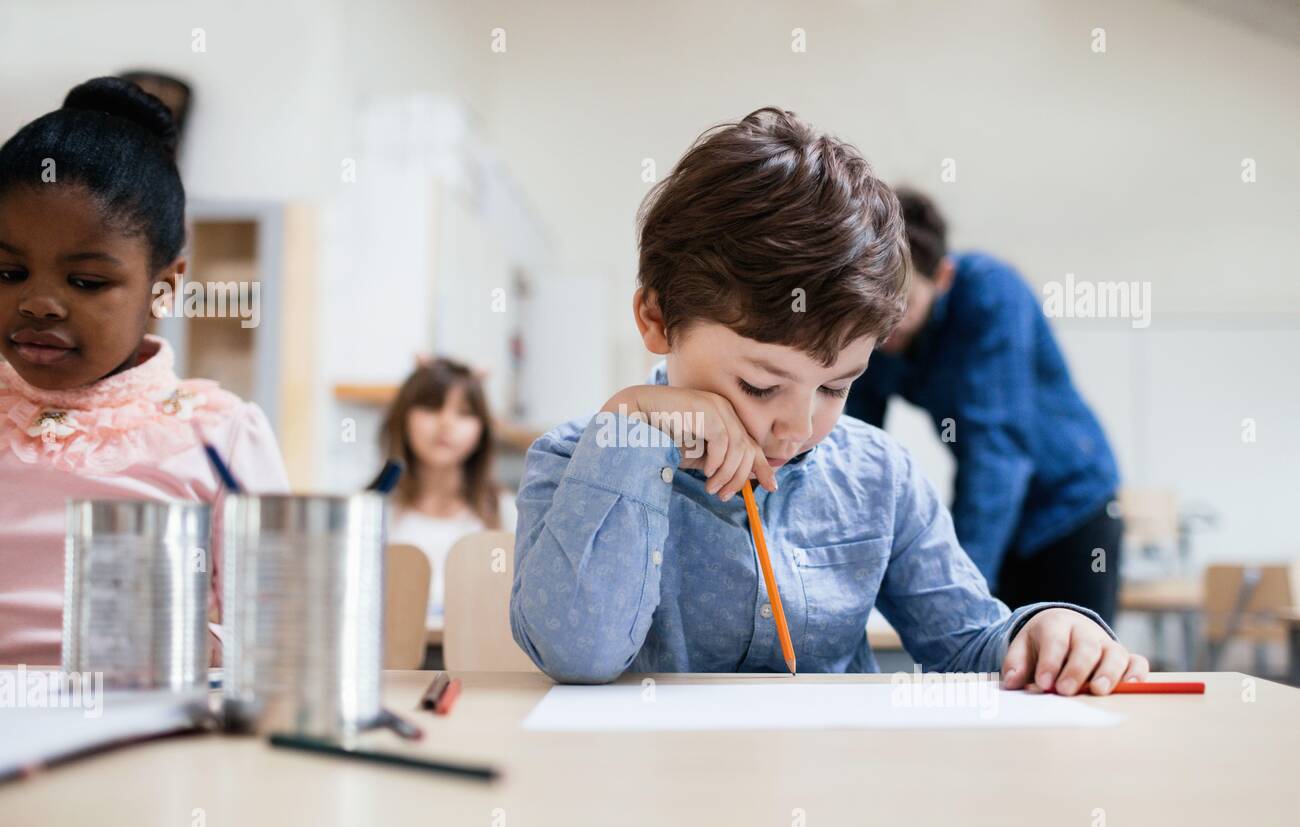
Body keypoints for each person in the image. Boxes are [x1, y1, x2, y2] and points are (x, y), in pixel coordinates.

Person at [509, 108, 1146, 693]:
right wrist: (632, 420)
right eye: (759, 386)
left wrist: (1044, 634)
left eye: (838, 387)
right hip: (653, 799)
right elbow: (579, 656)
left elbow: (967, 645)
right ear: (655, 317)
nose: (795, 429)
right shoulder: (573, 461)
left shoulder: (879, 476)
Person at [0, 77, 288, 664]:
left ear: (165, 286)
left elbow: (278, 640)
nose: (38, 303)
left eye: (86, 282)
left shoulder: (220, 434)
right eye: (8, 273)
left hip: (143, 736)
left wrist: (200, 650)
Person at [844, 189, 1123, 623]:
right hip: (998, 514)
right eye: (880, 309)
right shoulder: (877, 320)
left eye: (906, 304)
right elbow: (854, 442)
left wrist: (959, 595)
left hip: (1070, 506)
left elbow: (996, 453)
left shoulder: (992, 292)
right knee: (1000, 676)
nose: (887, 327)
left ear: (943, 278)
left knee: (1066, 666)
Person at [383, 357, 517, 631]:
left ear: (482, 429)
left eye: (465, 412)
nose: (446, 423)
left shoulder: (507, 512)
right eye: (432, 407)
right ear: (403, 417)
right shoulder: (374, 511)